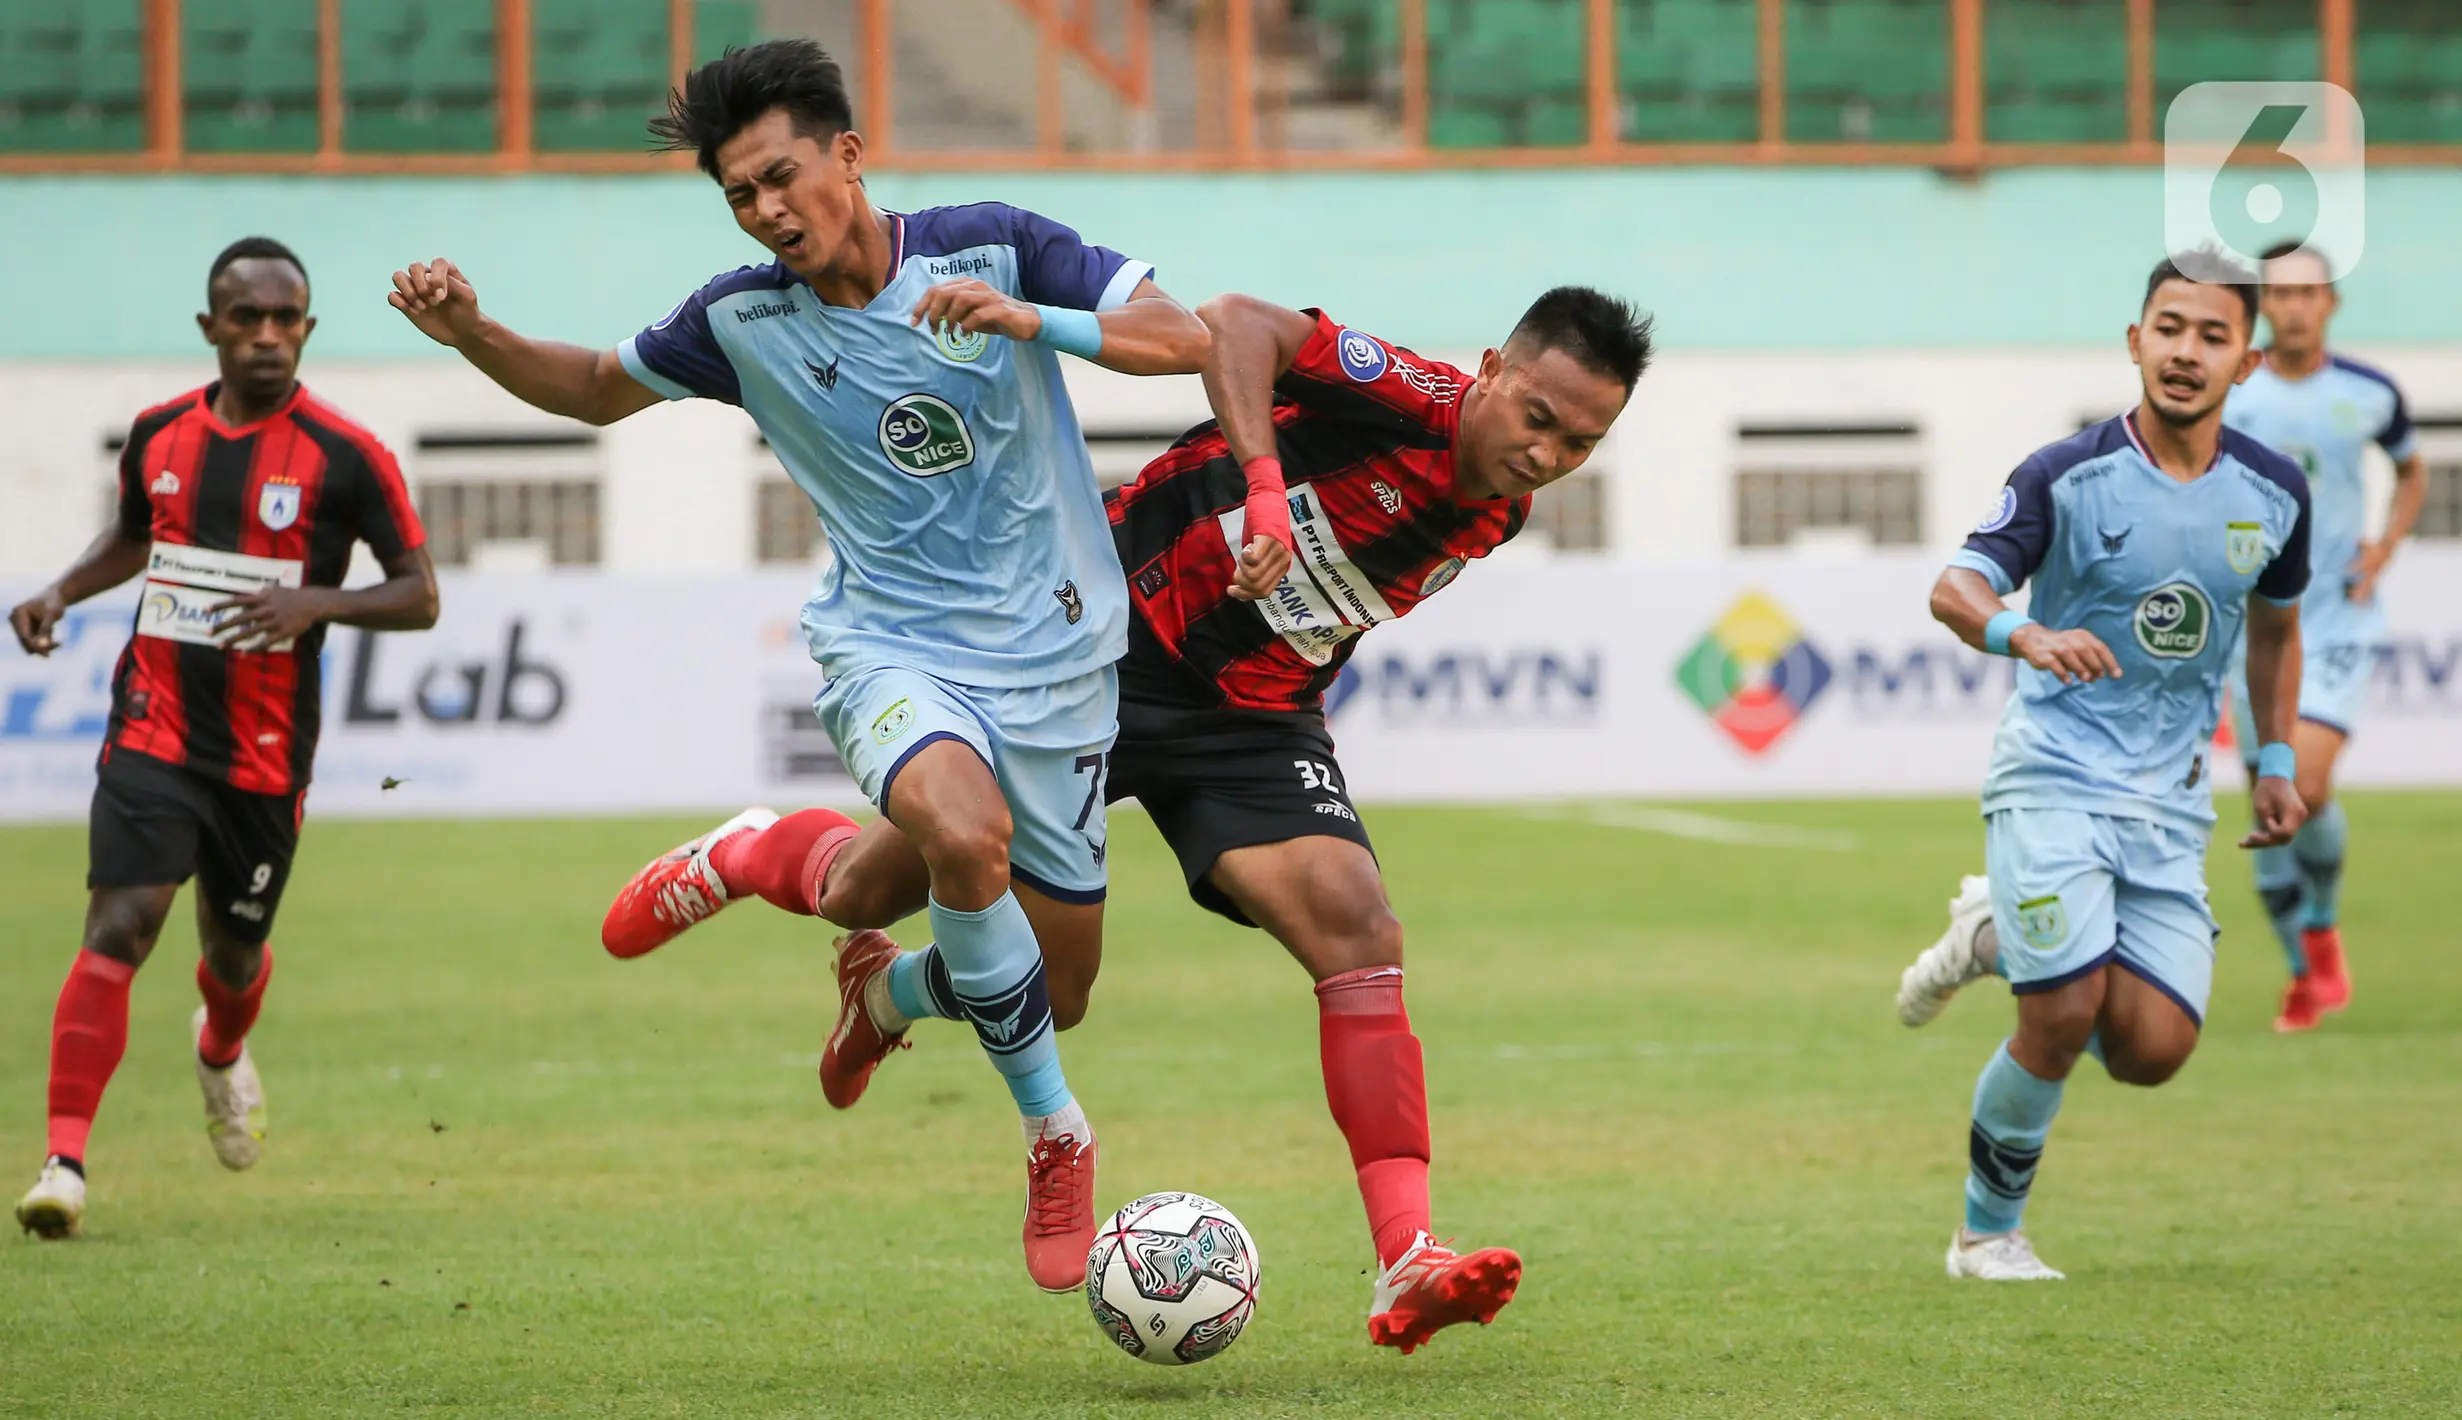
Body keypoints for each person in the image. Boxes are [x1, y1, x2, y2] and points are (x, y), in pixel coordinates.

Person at [652, 286, 1653, 1350]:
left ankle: (1406, 1257)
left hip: (1249, 717)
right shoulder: (1411, 397)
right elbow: (1237, 323)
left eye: (1579, 443)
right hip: (1092, 656)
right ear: (1492, 368)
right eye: (1536, 418)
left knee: (1359, 930)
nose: (1547, 453)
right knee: (918, 918)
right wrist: (1265, 488)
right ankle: (757, 857)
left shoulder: (1499, 504)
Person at [387, 40, 1209, 1293]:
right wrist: (472, 334)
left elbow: (1184, 336)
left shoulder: (991, 243)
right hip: (890, 641)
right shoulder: (740, 319)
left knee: (1015, 963)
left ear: (846, 155)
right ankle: (1056, 1131)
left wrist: (1037, 319)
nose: (767, 210)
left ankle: (789, 895)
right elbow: (598, 388)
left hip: (1056, 662)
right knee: (962, 834)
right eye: (738, 195)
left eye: (780, 176)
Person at [1893, 253, 2312, 1280]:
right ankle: (1984, 1233)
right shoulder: (2062, 475)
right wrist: (2019, 635)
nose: (2183, 351)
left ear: (2244, 360)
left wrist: (2271, 758)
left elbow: (2274, 632)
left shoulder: (2274, 492)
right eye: (2166, 327)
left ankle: (1995, 931)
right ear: (2134, 341)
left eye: (2209, 335)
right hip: (2052, 774)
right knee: (2062, 1011)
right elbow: (1954, 589)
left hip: (2167, 805)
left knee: (2153, 1050)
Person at [10, 237, 439, 1239]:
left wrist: (312, 604)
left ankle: (218, 1048)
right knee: (121, 925)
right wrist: (60, 589)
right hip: (152, 726)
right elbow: (133, 535)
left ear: (308, 330)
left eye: (286, 318)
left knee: (233, 957)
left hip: (264, 754)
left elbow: (420, 593)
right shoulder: (159, 436)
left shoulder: (345, 454)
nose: (267, 336)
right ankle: (64, 1162)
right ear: (211, 329)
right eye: (246, 318)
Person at [2221, 242, 2427, 1032]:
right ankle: (2305, 973)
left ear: (2331, 304)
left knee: (2300, 783)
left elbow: (2412, 471)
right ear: (2265, 304)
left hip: (2335, 613)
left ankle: (2323, 923)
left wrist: (2386, 545)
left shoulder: (2371, 393)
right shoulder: (2234, 389)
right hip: (2251, 624)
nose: (2296, 305)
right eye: (2281, 292)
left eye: (2310, 292)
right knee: (2269, 807)